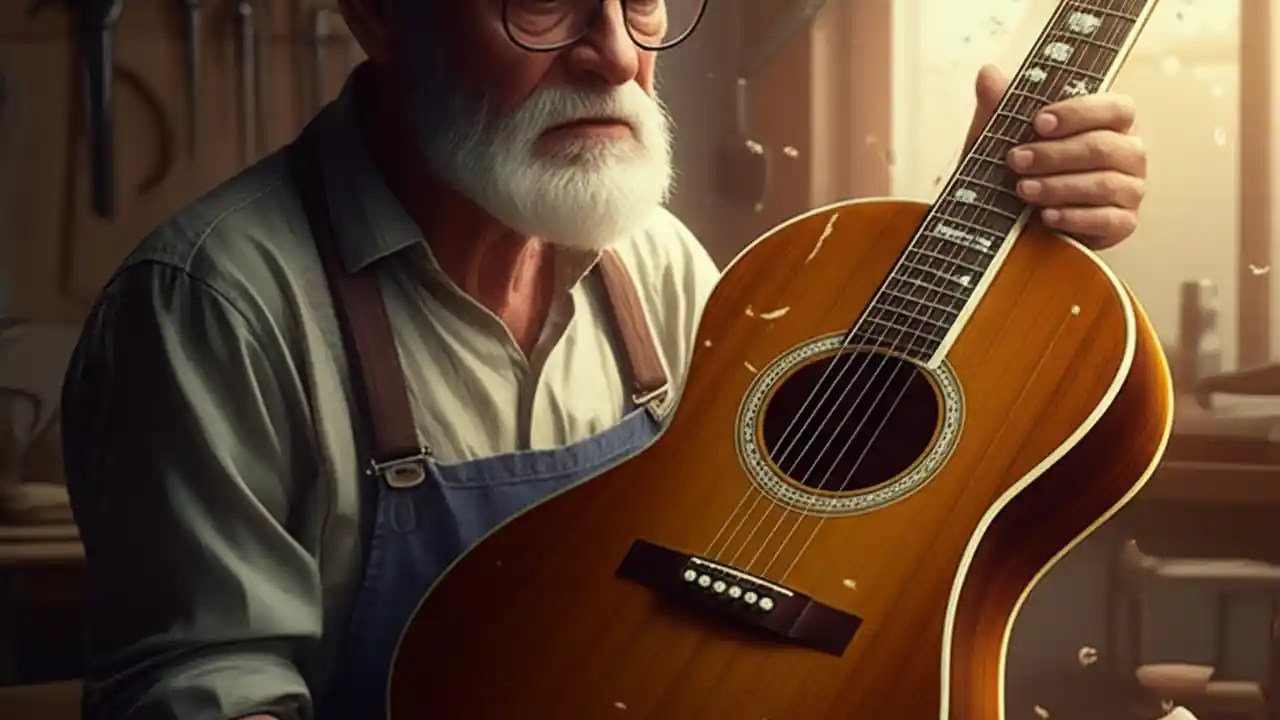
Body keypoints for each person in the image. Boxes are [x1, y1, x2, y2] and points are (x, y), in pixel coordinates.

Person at [60, 1, 1167, 718]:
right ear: (382, 18)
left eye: (638, 1)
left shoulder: (655, 258)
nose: (613, 55)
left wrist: (1003, 247)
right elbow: (200, 692)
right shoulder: (213, 305)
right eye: (541, 4)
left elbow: (815, 516)